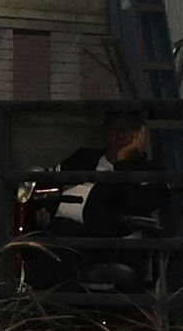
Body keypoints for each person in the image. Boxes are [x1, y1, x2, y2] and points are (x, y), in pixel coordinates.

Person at [21, 109, 167, 289]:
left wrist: (124, 162)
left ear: (140, 134)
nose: (120, 134)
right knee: (10, 229)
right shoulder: (84, 158)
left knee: (61, 234)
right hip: (58, 231)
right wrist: (41, 209)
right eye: (115, 128)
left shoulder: (149, 171)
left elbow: (133, 203)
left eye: (128, 129)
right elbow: (47, 183)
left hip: (108, 243)